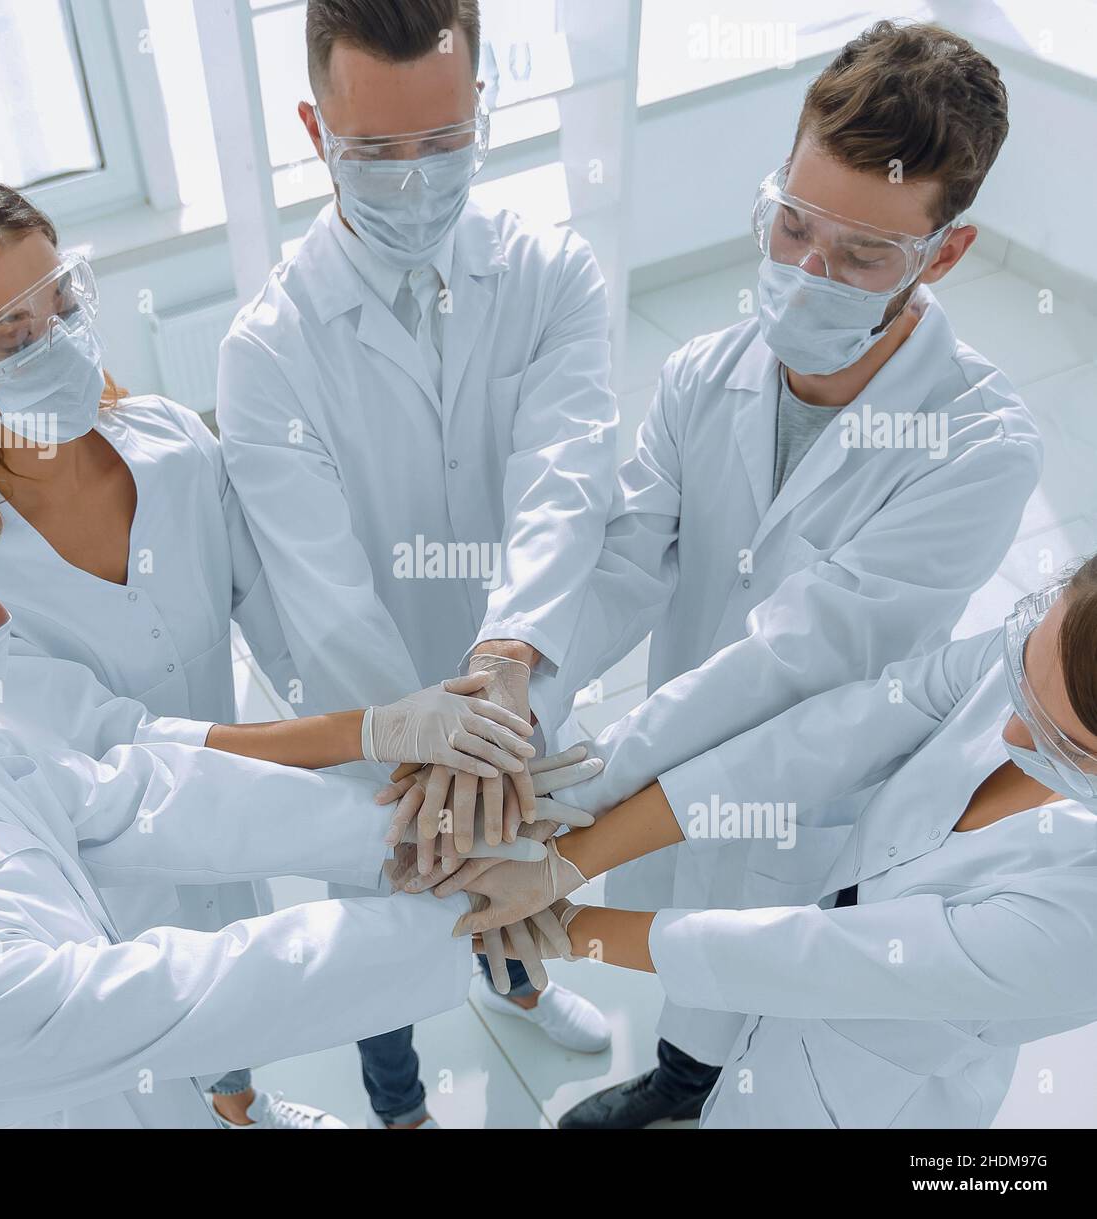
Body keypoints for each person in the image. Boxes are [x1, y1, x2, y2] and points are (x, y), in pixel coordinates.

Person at [418, 20, 1040, 1128]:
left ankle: (710, 1090)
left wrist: (586, 785)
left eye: (860, 257)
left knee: (779, 996)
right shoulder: (708, 373)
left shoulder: (979, 445)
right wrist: (516, 696)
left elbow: (804, 655)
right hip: (681, 756)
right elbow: (620, 562)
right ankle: (677, 1078)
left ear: (942, 254)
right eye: (792, 226)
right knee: (692, 967)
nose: (807, 275)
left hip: (819, 792)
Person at [0, 384, 596, 1129]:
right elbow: (213, 989)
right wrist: (468, 904)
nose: (0, 618)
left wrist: (426, 834)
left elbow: (132, 797)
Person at [217, 0, 618, 1127]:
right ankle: (396, 1101)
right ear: (314, 125)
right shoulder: (268, 349)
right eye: (376, 152)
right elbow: (322, 594)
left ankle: (525, 982)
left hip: (517, 673)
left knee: (517, 855)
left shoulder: (551, 272)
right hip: (366, 712)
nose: (413, 180)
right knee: (377, 910)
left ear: (479, 105)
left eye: (441, 144)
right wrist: (425, 744)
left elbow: (565, 476)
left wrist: (502, 670)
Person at [432, 557, 1097, 1127]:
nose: (1007, 729)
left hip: (867, 1099)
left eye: (1058, 739)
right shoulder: (1047, 649)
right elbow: (825, 739)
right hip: (787, 1024)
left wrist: (572, 927)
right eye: (1019, 679)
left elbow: (814, 960)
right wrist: (572, 856)